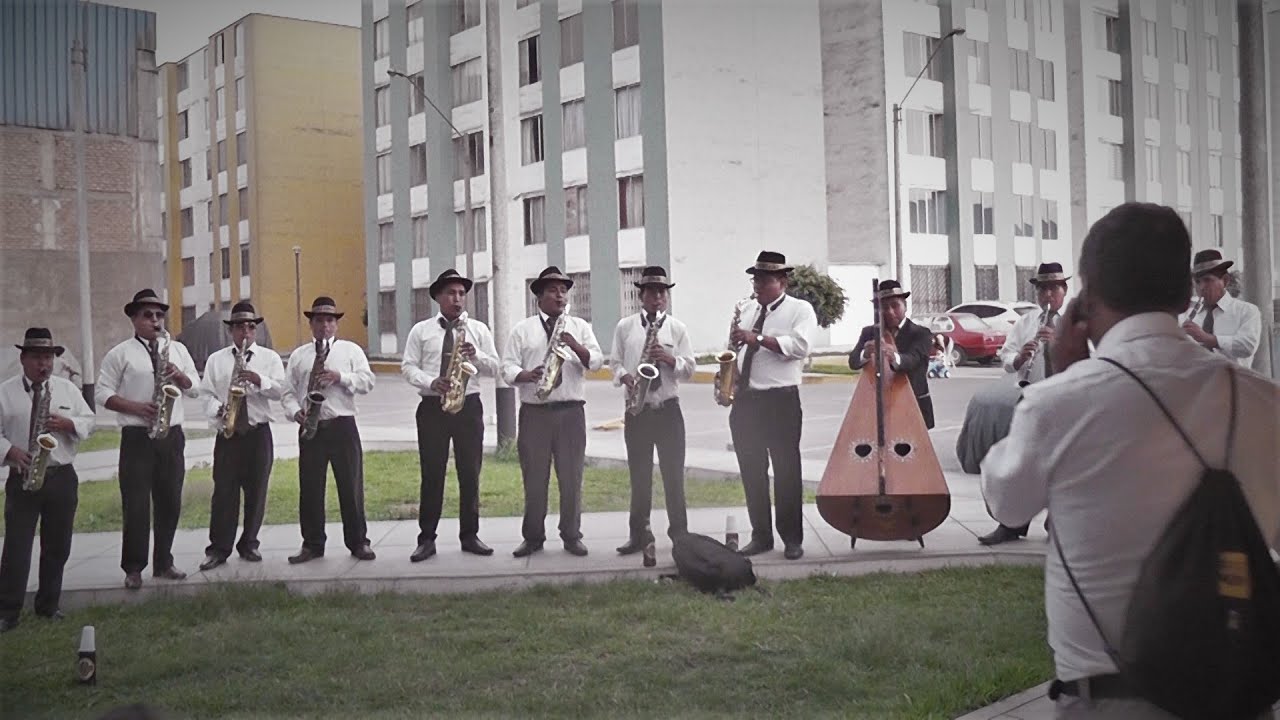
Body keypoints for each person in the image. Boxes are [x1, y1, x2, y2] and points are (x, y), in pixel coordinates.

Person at [982, 203, 1279, 719]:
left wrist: (1064, 373)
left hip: (1107, 698)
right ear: (1184, 295)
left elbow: (1007, 505)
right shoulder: (1263, 402)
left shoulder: (1057, 404)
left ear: (1086, 297)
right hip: (1238, 691)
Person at [96, 289, 200, 590]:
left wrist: (179, 376)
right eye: (148, 315)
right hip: (137, 437)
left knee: (170, 501)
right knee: (136, 504)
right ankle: (133, 568)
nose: (155, 320)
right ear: (134, 319)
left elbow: (195, 388)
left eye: (159, 315)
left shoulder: (177, 350)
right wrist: (136, 408)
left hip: (171, 435)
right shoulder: (120, 353)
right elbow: (102, 393)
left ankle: (164, 562)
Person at [501, 266, 603, 558]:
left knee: (571, 479)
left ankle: (571, 535)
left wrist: (575, 346)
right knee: (534, 478)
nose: (560, 295)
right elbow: (506, 368)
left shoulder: (579, 326)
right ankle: (533, 537)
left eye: (563, 291)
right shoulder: (523, 329)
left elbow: (596, 362)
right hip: (535, 413)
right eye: (553, 290)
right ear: (539, 297)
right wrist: (525, 375)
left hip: (571, 412)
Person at [0, 329, 95, 632]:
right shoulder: (4, 392)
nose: (44, 364)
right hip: (22, 476)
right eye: (38, 358)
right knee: (16, 546)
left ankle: (48, 606)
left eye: (49, 358)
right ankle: (7, 611)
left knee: (57, 545)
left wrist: (68, 423)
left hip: (60, 476)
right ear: (23, 359)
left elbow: (89, 421)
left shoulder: (67, 389)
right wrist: (11, 451)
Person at [401, 270, 500, 561]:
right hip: (432, 407)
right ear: (438, 297)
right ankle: (426, 539)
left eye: (461, 293)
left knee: (470, 473)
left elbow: (495, 367)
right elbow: (408, 367)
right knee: (432, 473)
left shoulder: (478, 329)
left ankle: (470, 536)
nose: (457, 299)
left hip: (468, 405)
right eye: (451, 293)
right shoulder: (421, 331)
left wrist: (475, 355)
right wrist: (431, 381)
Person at [730, 251, 817, 561]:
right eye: (756, 279)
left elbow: (800, 346)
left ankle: (792, 538)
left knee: (786, 471)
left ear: (782, 282)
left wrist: (758, 339)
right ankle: (761, 536)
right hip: (746, 400)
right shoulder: (747, 309)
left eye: (765, 280)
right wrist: (729, 376)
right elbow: (737, 348)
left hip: (780, 399)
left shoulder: (800, 310)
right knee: (752, 471)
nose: (758, 285)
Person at [979, 262, 1070, 546]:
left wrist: (1058, 344)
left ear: (1064, 290)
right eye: (1042, 290)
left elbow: (1091, 357)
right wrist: (1019, 359)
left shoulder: (1076, 321)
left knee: (1065, 466)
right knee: (1020, 465)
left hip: (1067, 400)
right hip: (1031, 397)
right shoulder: (1026, 322)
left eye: (1053, 288)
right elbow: (1006, 356)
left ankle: (1058, 524)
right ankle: (1011, 524)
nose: (1048, 295)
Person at [281, 297, 377, 564]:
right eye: (319, 320)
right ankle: (312, 544)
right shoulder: (299, 355)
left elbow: (368, 381)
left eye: (330, 320)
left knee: (351, 486)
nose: (325, 325)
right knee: (310, 488)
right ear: (311, 324)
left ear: (336, 324)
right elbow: (287, 393)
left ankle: (358, 542)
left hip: (342, 425)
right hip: (310, 425)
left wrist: (340, 377)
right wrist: (295, 412)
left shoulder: (350, 351)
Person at [608, 266, 696, 554]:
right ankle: (639, 535)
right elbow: (615, 363)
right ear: (641, 296)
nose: (658, 297)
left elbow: (689, 369)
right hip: (638, 411)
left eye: (662, 292)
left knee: (674, 477)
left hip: (669, 410)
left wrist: (669, 359)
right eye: (652, 292)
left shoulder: (677, 328)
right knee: (640, 477)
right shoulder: (625, 327)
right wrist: (625, 377)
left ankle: (680, 537)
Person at [196, 302, 285, 571]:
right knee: (224, 492)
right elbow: (205, 394)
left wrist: (259, 380)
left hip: (258, 433)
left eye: (250, 327)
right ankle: (218, 549)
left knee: (257, 491)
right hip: (228, 433)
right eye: (239, 327)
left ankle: (249, 544)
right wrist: (219, 409)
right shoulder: (216, 359)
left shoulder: (269, 358)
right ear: (231, 330)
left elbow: (281, 391)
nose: (245, 332)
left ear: (255, 330)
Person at [848, 279, 935, 428]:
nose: (890, 312)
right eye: (884, 307)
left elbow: (913, 359)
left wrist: (893, 356)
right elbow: (853, 362)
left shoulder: (921, 333)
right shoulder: (869, 332)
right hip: (878, 408)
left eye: (895, 305)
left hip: (914, 406)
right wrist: (866, 354)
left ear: (905, 306)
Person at [1179, 248, 1262, 368]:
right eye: (1197, 281)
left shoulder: (1247, 311)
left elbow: (1247, 346)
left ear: (1225, 280)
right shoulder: (1186, 314)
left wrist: (1207, 338)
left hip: (1233, 379)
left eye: (1207, 280)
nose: (1201, 287)